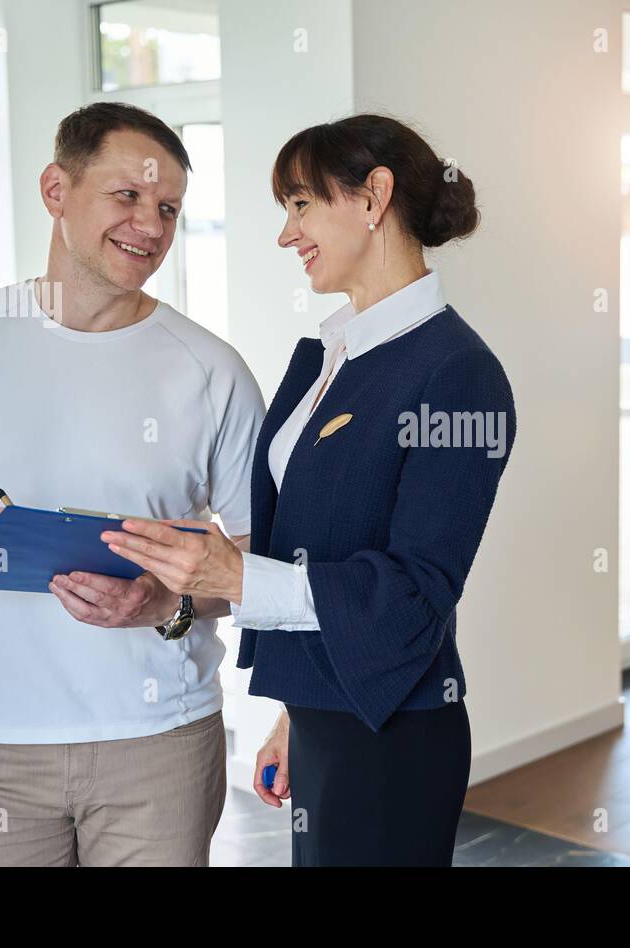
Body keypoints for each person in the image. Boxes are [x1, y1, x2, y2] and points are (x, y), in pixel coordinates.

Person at [0, 102, 265, 866]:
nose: (151, 224)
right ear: (55, 190)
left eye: (169, 207)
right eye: (128, 195)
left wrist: (163, 599)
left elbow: (258, 558)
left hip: (159, 745)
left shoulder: (213, 369)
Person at [99, 114, 517, 866]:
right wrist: (299, 711)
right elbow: (321, 545)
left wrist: (236, 576)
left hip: (395, 730)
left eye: (299, 205)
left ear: (373, 197)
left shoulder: (456, 373)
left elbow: (417, 592)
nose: (287, 235)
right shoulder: (330, 357)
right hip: (332, 713)